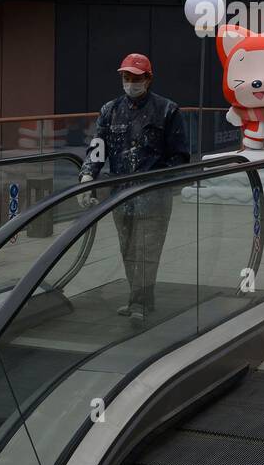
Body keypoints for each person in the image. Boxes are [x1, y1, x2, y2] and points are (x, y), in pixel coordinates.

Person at [79, 53, 190, 325]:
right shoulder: (110, 110)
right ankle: (137, 297)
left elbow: (180, 155)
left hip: (154, 195)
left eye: (136, 78)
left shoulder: (167, 110)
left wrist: (163, 181)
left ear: (148, 79)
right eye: (126, 77)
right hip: (120, 193)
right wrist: (86, 177)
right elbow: (97, 148)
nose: (131, 82)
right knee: (128, 248)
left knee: (148, 249)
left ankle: (140, 301)